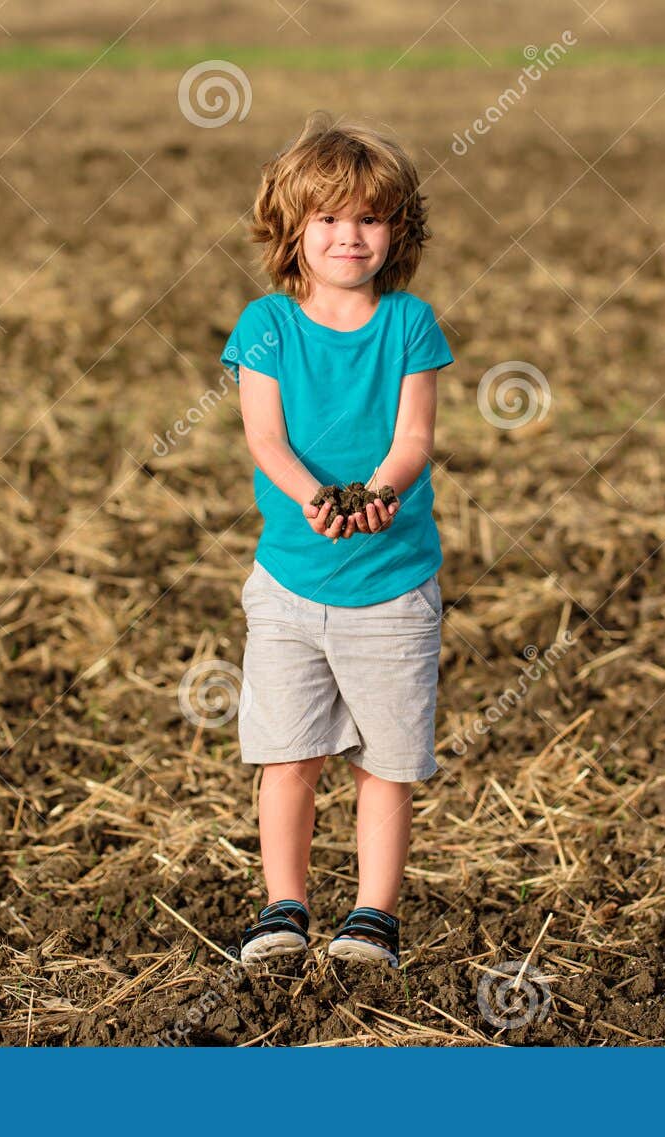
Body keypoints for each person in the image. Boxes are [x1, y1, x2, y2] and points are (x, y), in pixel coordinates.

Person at [219, 110, 455, 969]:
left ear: (397, 230)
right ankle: (283, 907)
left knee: (385, 764)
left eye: (368, 218)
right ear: (291, 230)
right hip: (289, 583)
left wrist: (382, 494)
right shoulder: (267, 328)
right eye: (327, 219)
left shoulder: (409, 325)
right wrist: (319, 499)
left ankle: (371, 918)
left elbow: (414, 439)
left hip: (393, 585)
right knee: (289, 754)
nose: (348, 237)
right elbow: (266, 440)